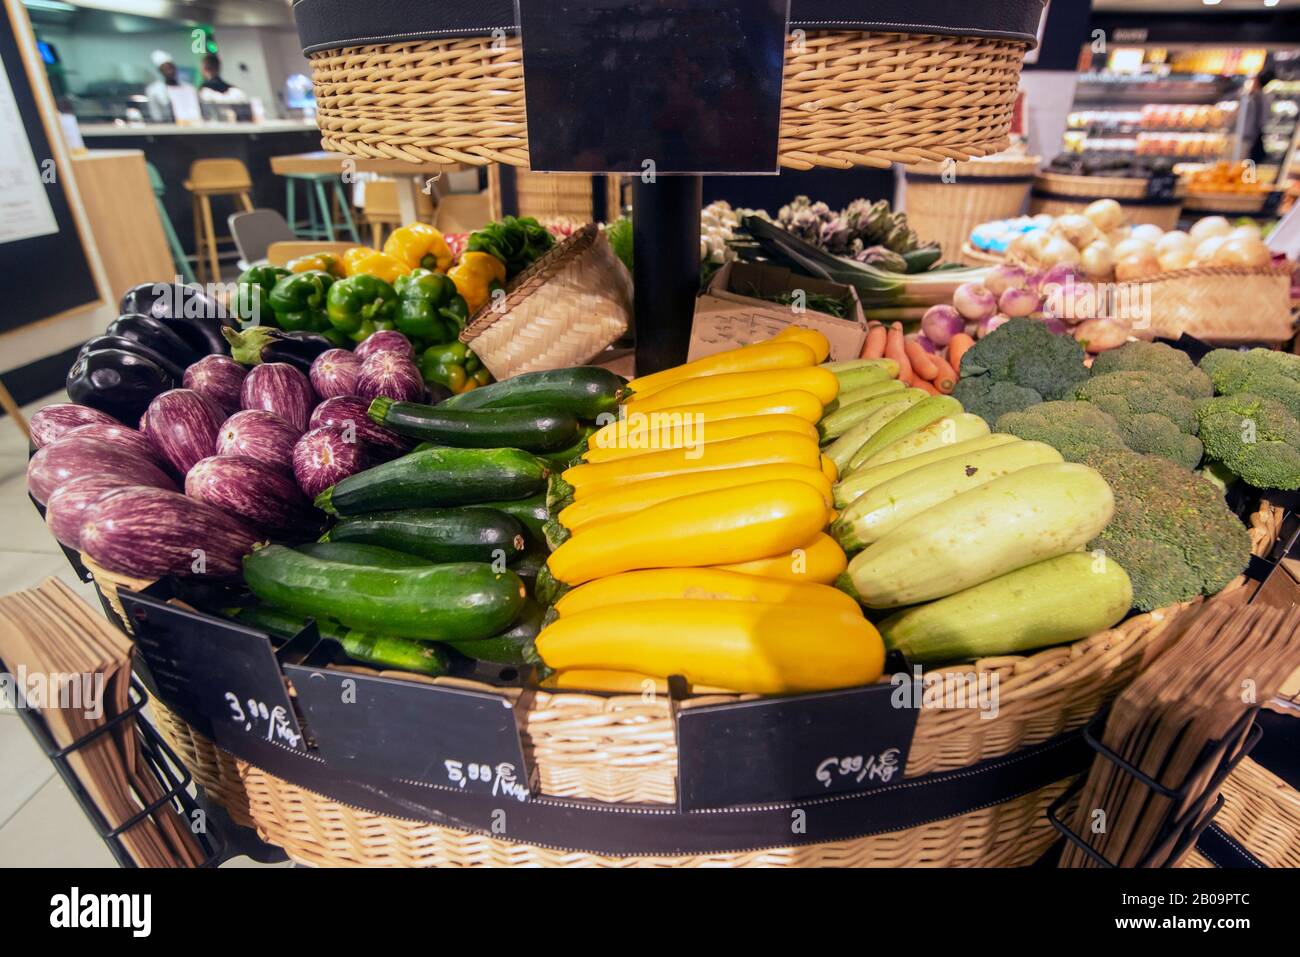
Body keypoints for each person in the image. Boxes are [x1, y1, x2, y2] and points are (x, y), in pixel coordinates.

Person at [144, 50, 200, 123]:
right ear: (160, 71)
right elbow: (156, 114)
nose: (170, 71)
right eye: (165, 69)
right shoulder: (154, 90)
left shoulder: (189, 88)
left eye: (171, 68)